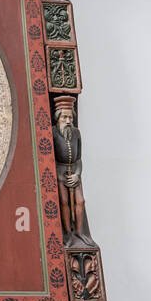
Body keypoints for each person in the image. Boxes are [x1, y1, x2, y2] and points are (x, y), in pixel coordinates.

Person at [52, 96, 93, 247]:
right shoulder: (54, 132)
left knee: (80, 201)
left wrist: (77, 174)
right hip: (60, 171)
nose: (68, 120)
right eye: (64, 117)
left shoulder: (76, 133)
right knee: (64, 202)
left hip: (74, 172)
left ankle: (79, 232)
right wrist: (57, 174)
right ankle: (67, 234)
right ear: (58, 118)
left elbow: (79, 158)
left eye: (70, 117)